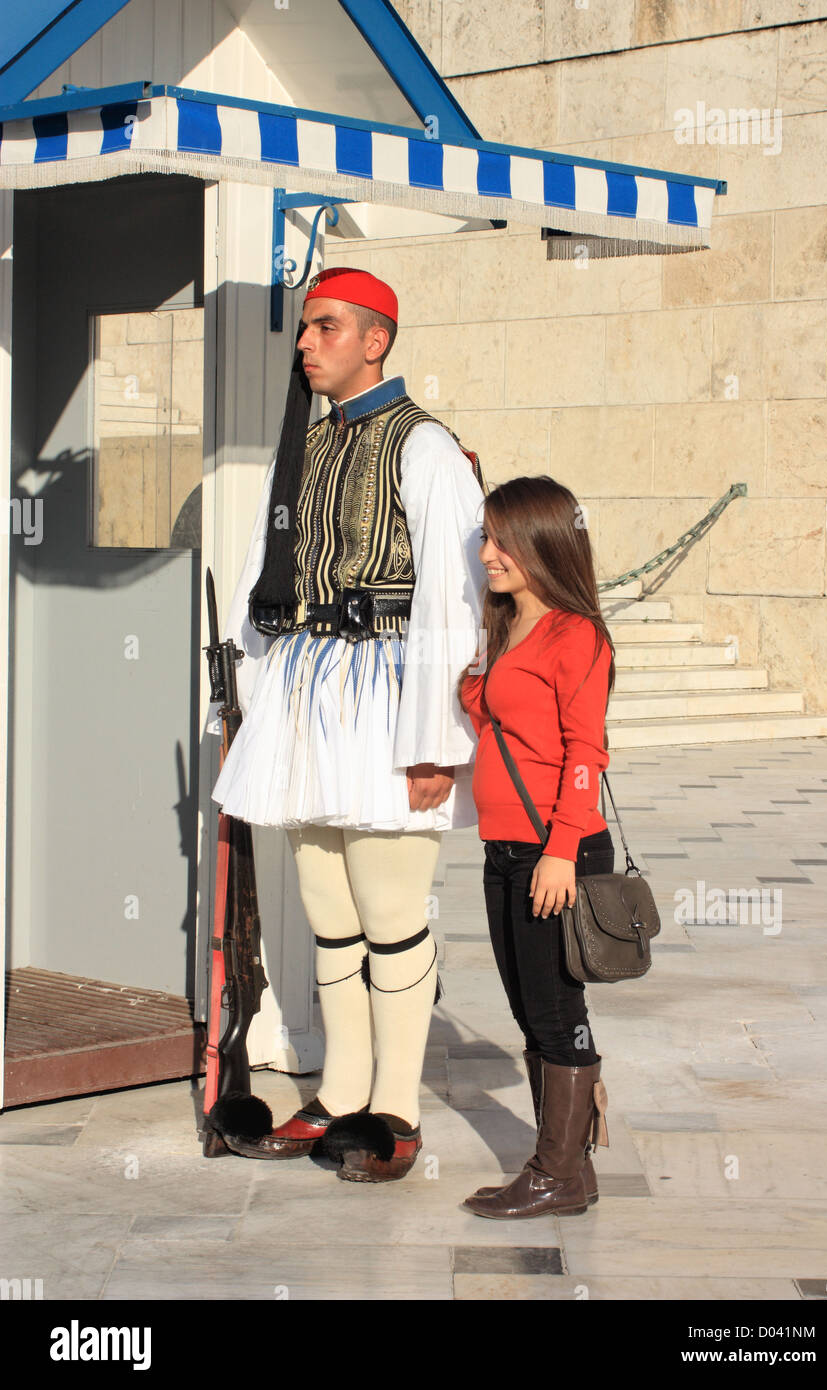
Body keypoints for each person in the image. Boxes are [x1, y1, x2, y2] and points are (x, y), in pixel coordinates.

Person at [207, 267, 487, 1181]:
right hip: (304, 695)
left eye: (324, 327)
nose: (305, 343)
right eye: (303, 328)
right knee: (329, 910)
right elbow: (263, 577)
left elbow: (454, 599)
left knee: (391, 907)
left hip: (388, 695)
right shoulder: (306, 446)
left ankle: (397, 1109)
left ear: (376, 339)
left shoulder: (426, 447)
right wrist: (247, 696)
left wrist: (437, 742)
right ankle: (342, 1092)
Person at [455, 475, 616, 1218]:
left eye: (500, 539)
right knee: (531, 1011)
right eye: (486, 538)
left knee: (557, 1014)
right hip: (505, 851)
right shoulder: (509, 625)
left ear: (542, 543)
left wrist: (560, 849)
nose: (487, 553)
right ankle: (567, 1171)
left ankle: (555, 1174)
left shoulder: (576, 635)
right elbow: (501, 714)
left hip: (556, 854)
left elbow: (586, 752)